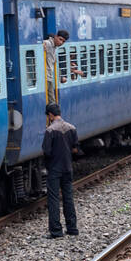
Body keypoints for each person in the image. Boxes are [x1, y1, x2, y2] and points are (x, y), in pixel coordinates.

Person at [42, 102, 79, 239]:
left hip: (54, 169)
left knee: (53, 199)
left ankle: (56, 231)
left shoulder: (50, 131)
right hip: (68, 167)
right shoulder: (71, 128)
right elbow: (75, 149)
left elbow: (46, 151)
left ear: (50, 115)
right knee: (68, 197)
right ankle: (72, 228)